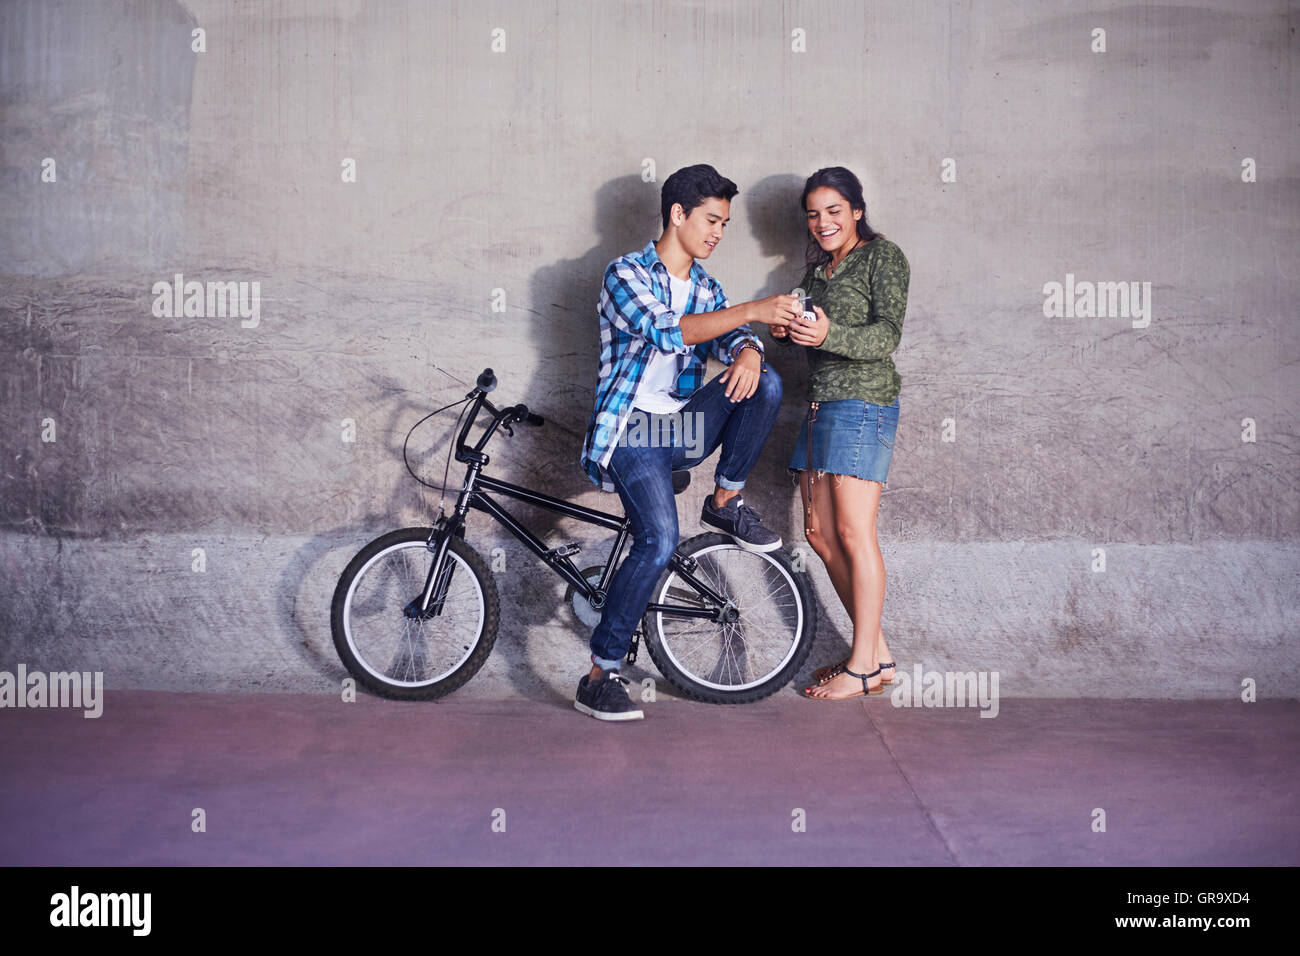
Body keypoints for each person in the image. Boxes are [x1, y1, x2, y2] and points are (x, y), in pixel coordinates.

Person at [575, 164, 801, 721]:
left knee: (766, 382)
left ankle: (725, 501)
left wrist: (749, 349)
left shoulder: (705, 287)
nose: (718, 233)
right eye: (711, 220)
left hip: (678, 429)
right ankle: (599, 677)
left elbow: (735, 337)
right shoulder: (624, 274)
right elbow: (668, 332)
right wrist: (751, 312)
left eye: (724, 223)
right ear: (677, 215)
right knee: (658, 540)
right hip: (632, 433)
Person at [771, 166, 910, 700]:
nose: (822, 222)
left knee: (854, 534)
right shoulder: (817, 274)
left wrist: (830, 331)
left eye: (833, 210)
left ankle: (861, 666)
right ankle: (878, 656)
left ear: (856, 210)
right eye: (813, 213)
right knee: (821, 536)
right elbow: (807, 340)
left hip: (863, 403)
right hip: (819, 404)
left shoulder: (884, 256)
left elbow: (886, 336)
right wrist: (786, 330)